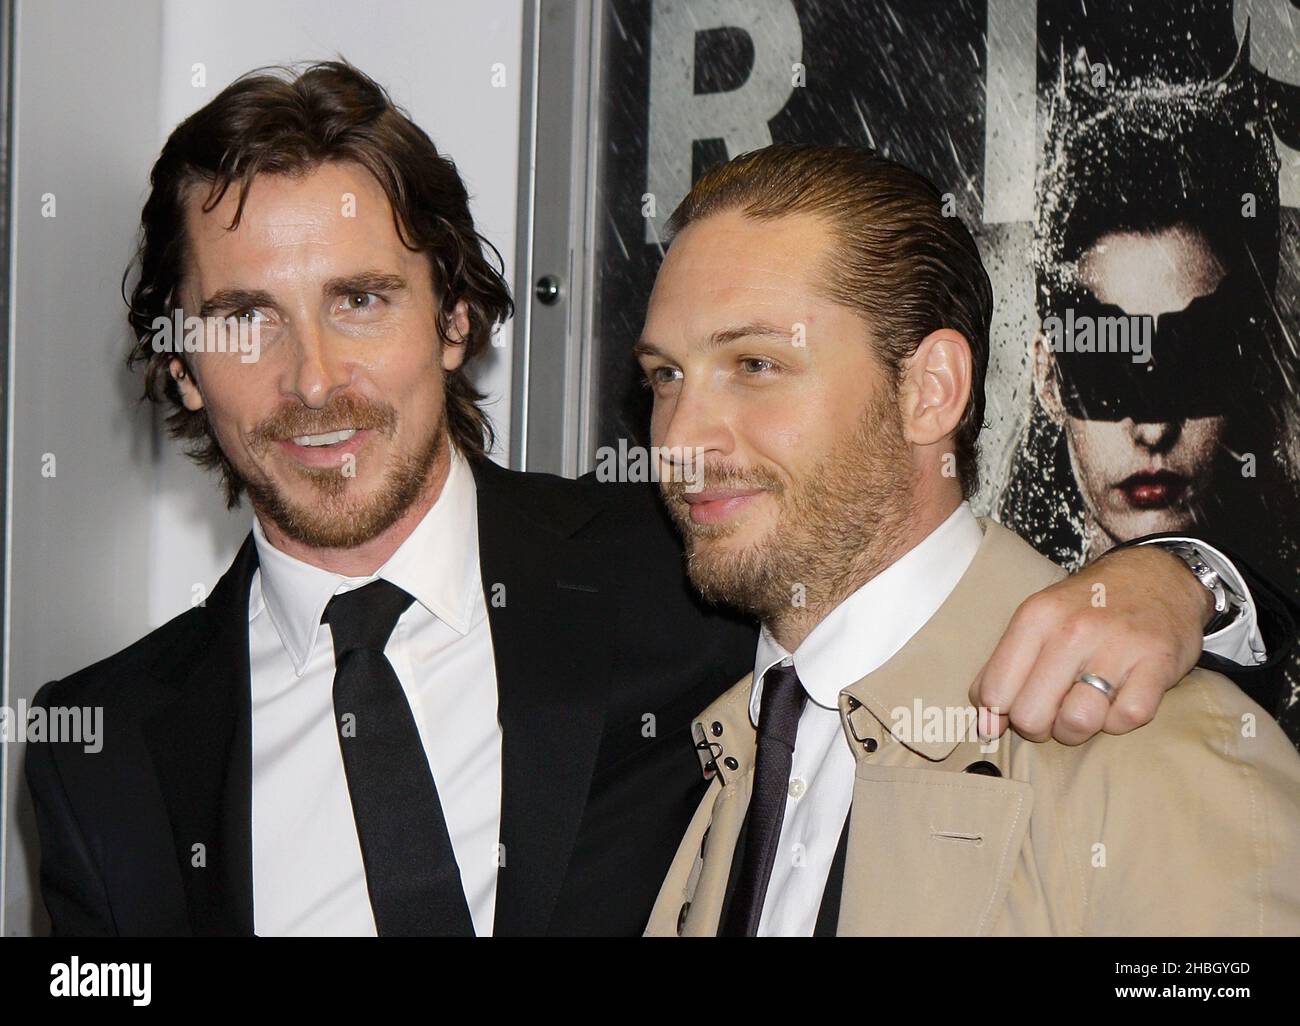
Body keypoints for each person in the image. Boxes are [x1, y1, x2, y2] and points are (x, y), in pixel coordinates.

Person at [24, 63, 1292, 937]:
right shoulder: (105, 751)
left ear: (455, 319)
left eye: (360, 299)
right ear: (181, 368)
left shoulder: (686, 567)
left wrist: (1187, 577)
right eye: (245, 318)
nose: (315, 382)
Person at [643, 144, 1300, 936]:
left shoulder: (1153, 749)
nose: (680, 438)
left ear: (930, 392)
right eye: (665, 377)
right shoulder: (738, 742)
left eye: (755, 363)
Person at [997, 42, 1300, 740]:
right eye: (1108, 369)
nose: (1152, 425)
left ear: (1247, 367)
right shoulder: (967, 603)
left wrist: (1199, 584)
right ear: (1049, 377)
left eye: (1193, 360)